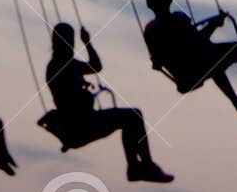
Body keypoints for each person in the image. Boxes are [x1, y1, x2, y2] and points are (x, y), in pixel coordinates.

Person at [40, 23, 172, 183]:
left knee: (131, 118)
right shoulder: (63, 65)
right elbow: (96, 66)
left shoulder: (60, 65)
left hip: (82, 122)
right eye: (69, 40)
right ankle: (142, 166)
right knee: (132, 117)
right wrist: (87, 42)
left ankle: (137, 167)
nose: (72, 44)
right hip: (81, 125)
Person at [143, 0, 237, 115]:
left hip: (194, 66)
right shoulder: (168, 23)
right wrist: (214, 25)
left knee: (220, 54)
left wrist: (212, 25)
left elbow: (196, 42)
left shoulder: (162, 25)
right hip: (188, 71)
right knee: (221, 54)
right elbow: (196, 42)